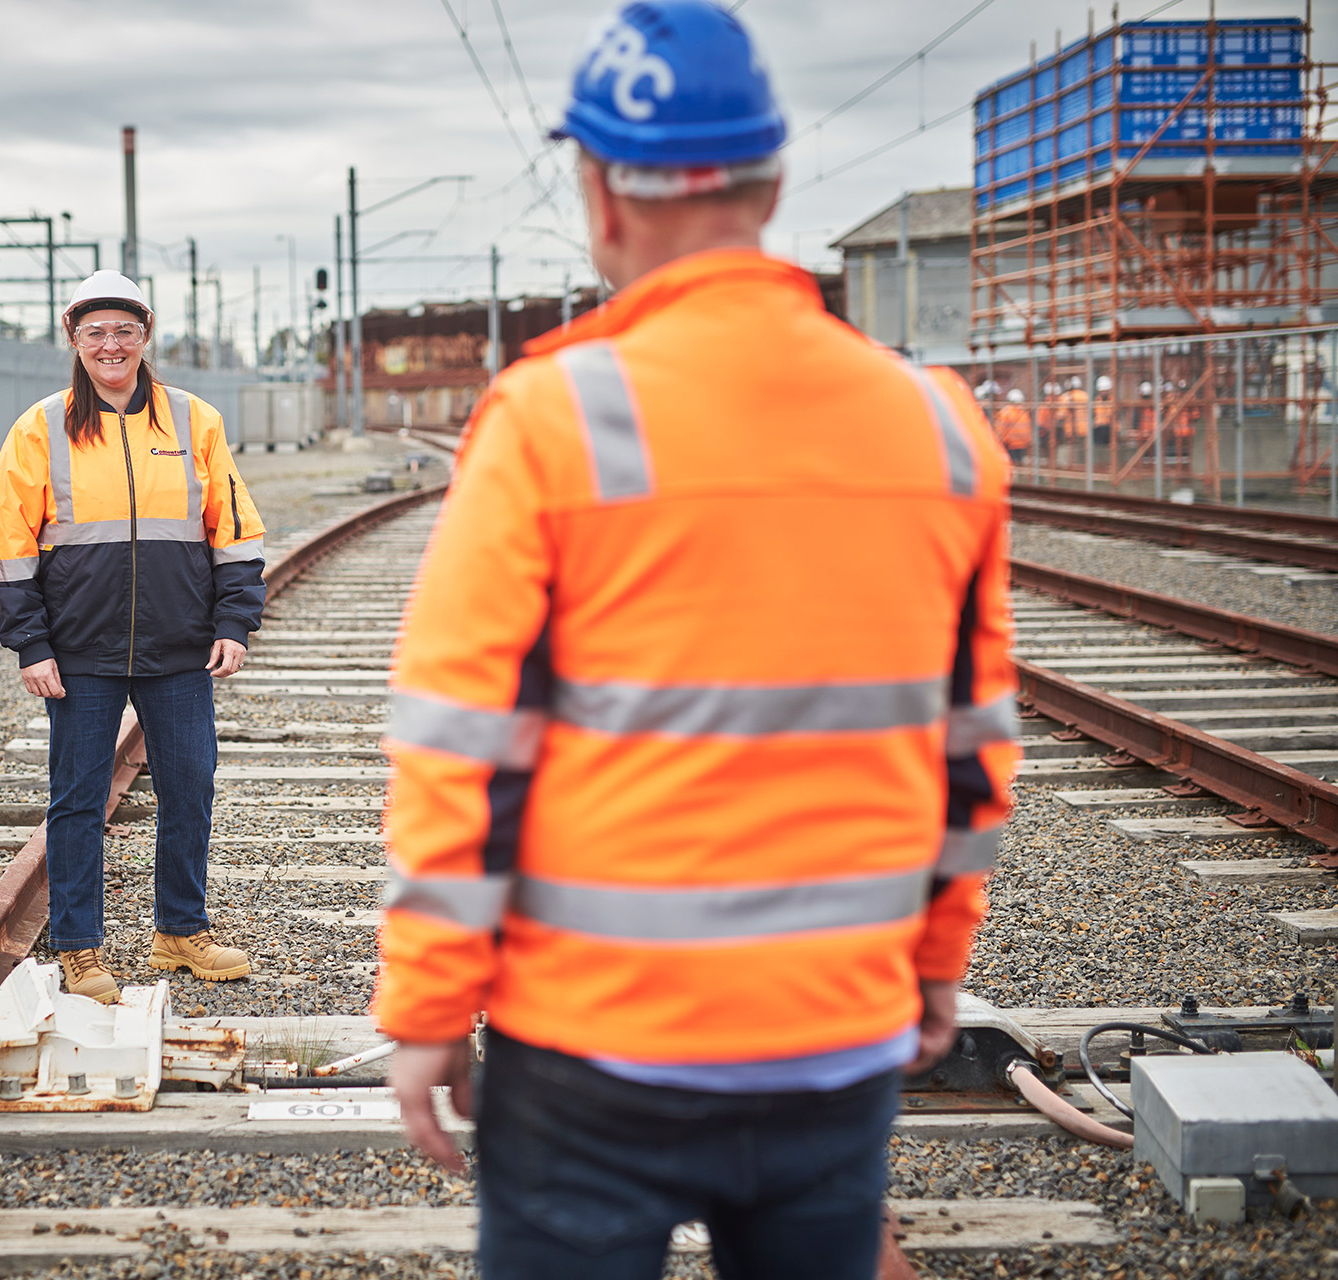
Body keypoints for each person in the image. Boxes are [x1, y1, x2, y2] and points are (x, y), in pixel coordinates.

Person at [377, 4, 1018, 1277]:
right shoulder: (938, 425)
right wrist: (936, 957)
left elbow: (457, 739)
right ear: (773, 183)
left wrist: (433, 1003)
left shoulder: (552, 415)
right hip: (837, 1032)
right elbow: (973, 747)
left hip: (592, 1042)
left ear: (602, 193)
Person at [0, 270, 267, 1005]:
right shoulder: (40, 427)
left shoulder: (193, 420)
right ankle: (80, 947)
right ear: (73, 338)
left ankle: (181, 929)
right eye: (95, 332)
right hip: (81, 650)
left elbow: (232, 528)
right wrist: (31, 644)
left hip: (178, 645)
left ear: (145, 337)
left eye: (124, 330)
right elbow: (5, 541)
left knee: (191, 785)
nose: (111, 345)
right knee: (76, 800)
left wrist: (233, 621)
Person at [994, 388, 1033, 465]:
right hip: (1022, 443)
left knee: (1011, 464)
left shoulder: (1005, 412)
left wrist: (1000, 440)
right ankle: (1020, 475)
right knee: (1019, 462)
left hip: (1010, 444)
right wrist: (1028, 441)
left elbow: (1001, 428)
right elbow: (1028, 428)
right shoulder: (1024, 412)